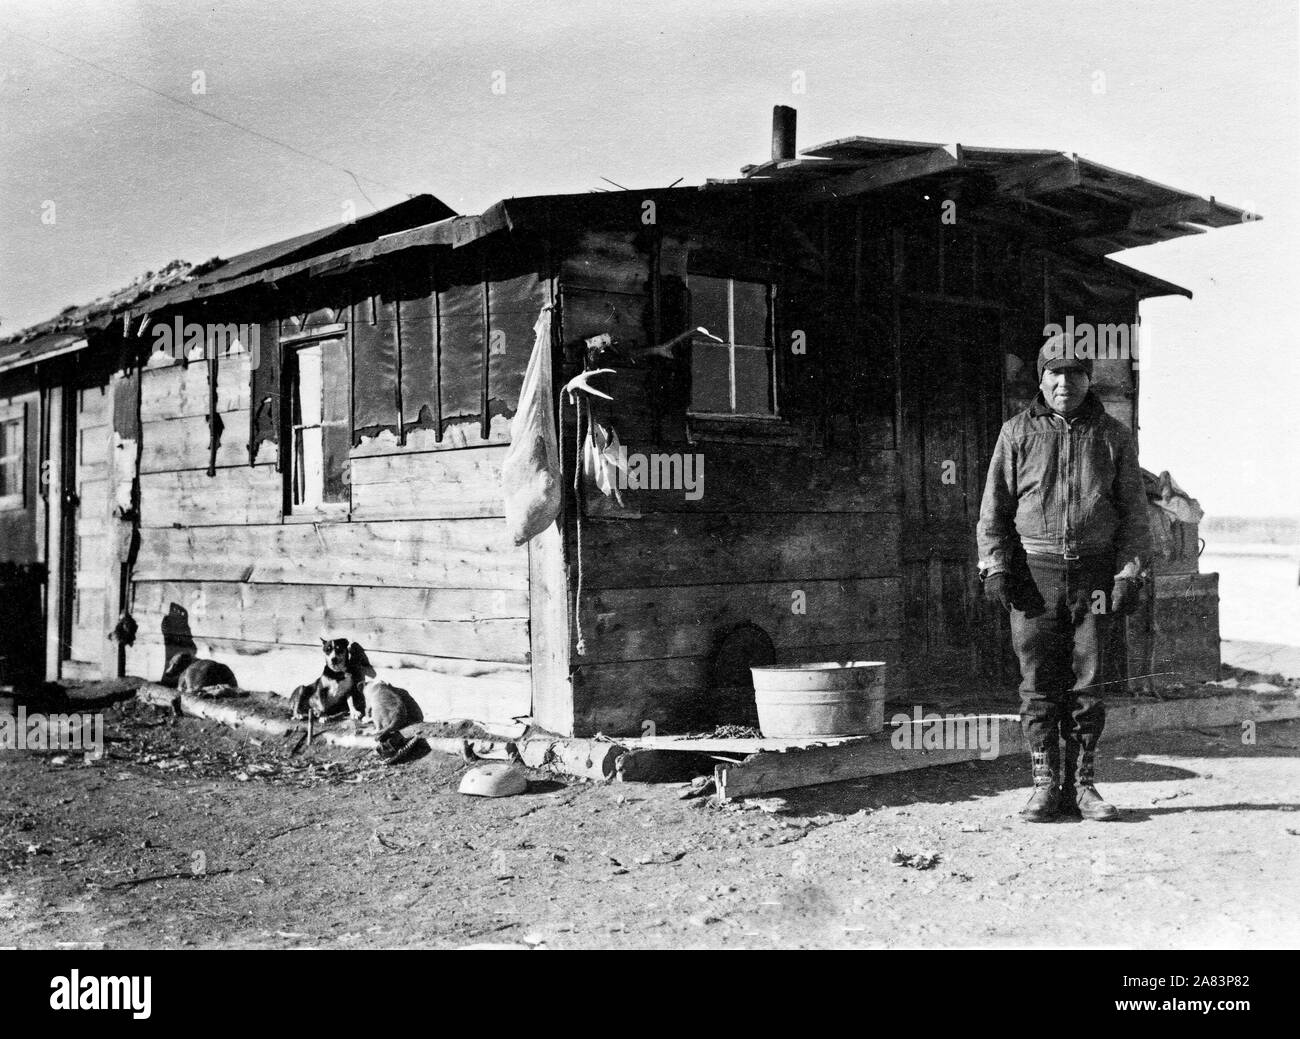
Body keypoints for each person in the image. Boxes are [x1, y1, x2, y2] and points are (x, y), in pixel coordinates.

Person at [976, 337, 1150, 822]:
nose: (1064, 382)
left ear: (1088, 379)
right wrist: (995, 566)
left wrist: (1128, 574)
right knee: (1038, 685)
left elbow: (1135, 516)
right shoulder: (1016, 433)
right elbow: (994, 509)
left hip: (1094, 575)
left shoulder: (1113, 435)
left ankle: (1083, 786)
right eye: (1055, 372)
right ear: (1041, 378)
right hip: (1035, 575)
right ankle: (1044, 787)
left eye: (1075, 373)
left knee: (1088, 686)